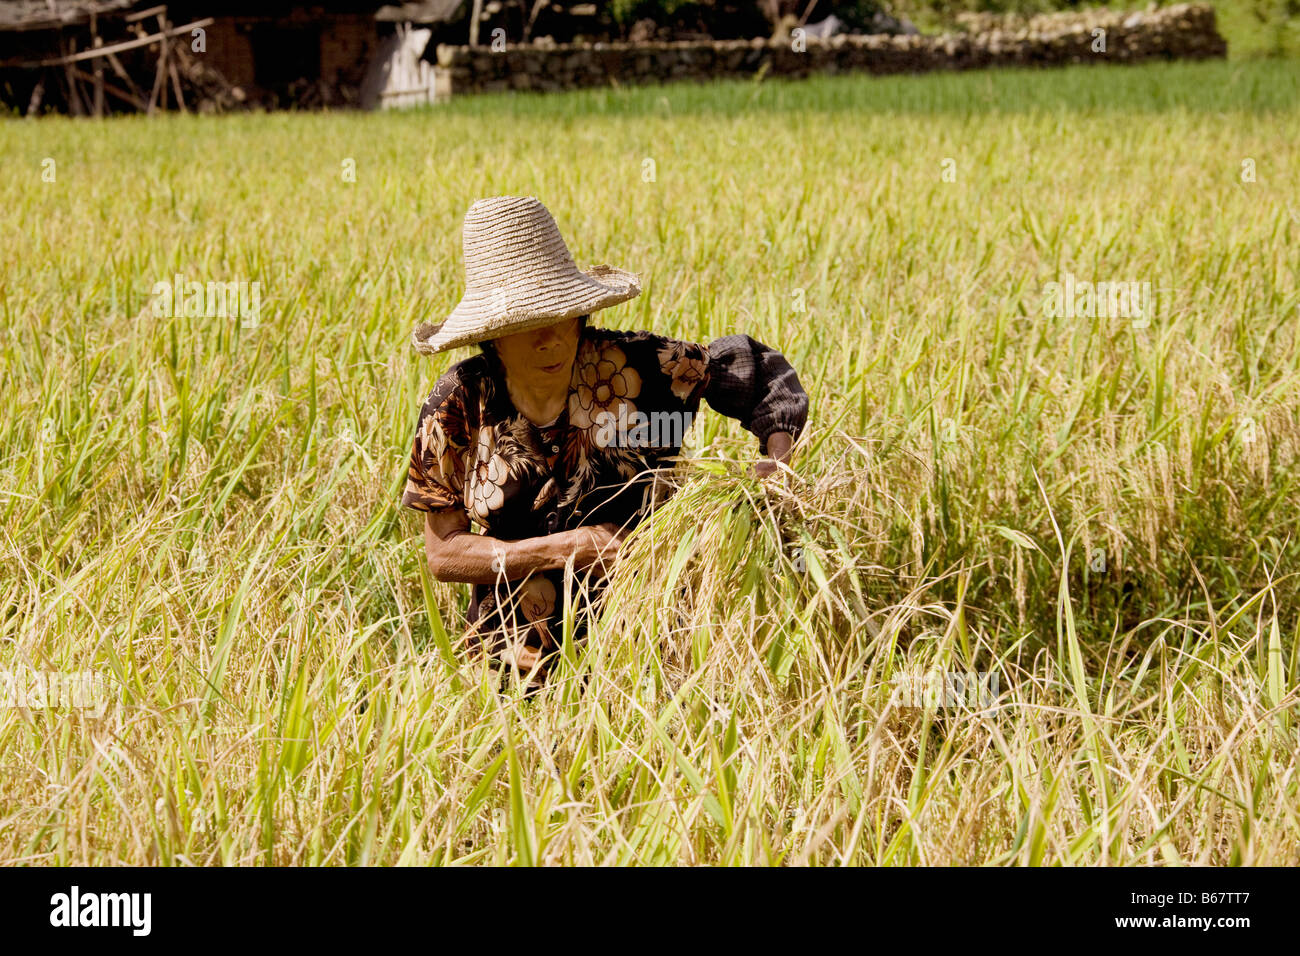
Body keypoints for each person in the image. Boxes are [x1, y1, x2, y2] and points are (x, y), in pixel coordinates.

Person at [402, 196, 808, 688]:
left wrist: (777, 464)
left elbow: (759, 373)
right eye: (525, 326)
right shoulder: (460, 401)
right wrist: (565, 548)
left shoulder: (636, 366)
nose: (549, 338)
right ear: (492, 338)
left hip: (649, 650)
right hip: (512, 661)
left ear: (580, 314)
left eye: (562, 314)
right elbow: (444, 555)